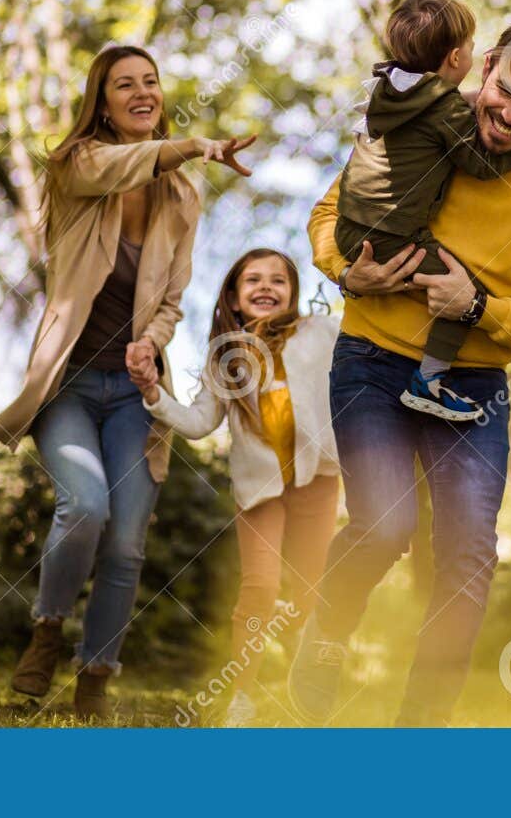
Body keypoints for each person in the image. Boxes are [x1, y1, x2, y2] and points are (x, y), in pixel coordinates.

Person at [290, 21, 511, 726]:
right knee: (386, 522)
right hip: (371, 358)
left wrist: (482, 307)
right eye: (502, 93)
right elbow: (328, 210)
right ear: (485, 67)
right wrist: (350, 268)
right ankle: (327, 634)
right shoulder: (416, 121)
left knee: (468, 554)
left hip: (473, 385)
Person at [0, 43, 256, 718]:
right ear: (101, 103)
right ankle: (47, 631)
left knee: (128, 540)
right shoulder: (76, 166)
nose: (142, 92)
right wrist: (195, 142)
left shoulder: (181, 197)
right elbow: (117, 164)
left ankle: (95, 679)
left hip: (134, 393)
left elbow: (171, 300)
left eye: (151, 82)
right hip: (69, 386)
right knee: (87, 506)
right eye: (124, 85)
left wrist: (150, 345)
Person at [133, 249, 342, 727]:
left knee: (312, 592)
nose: (266, 288)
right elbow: (199, 421)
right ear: (233, 293)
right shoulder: (226, 355)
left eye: (278, 280)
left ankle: (308, 692)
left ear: (292, 292)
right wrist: (153, 394)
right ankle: (241, 698)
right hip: (261, 490)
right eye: (253, 280)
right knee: (260, 587)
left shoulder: (321, 332)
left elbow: (361, 365)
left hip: (319, 481)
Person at [333, 0, 511, 421]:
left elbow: (438, 112)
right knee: (463, 292)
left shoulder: (388, 88)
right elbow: (480, 163)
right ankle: (429, 382)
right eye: (472, 46)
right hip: (393, 237)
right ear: (455, 57)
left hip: (350, 230)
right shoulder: (446, 107)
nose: (472, 52)